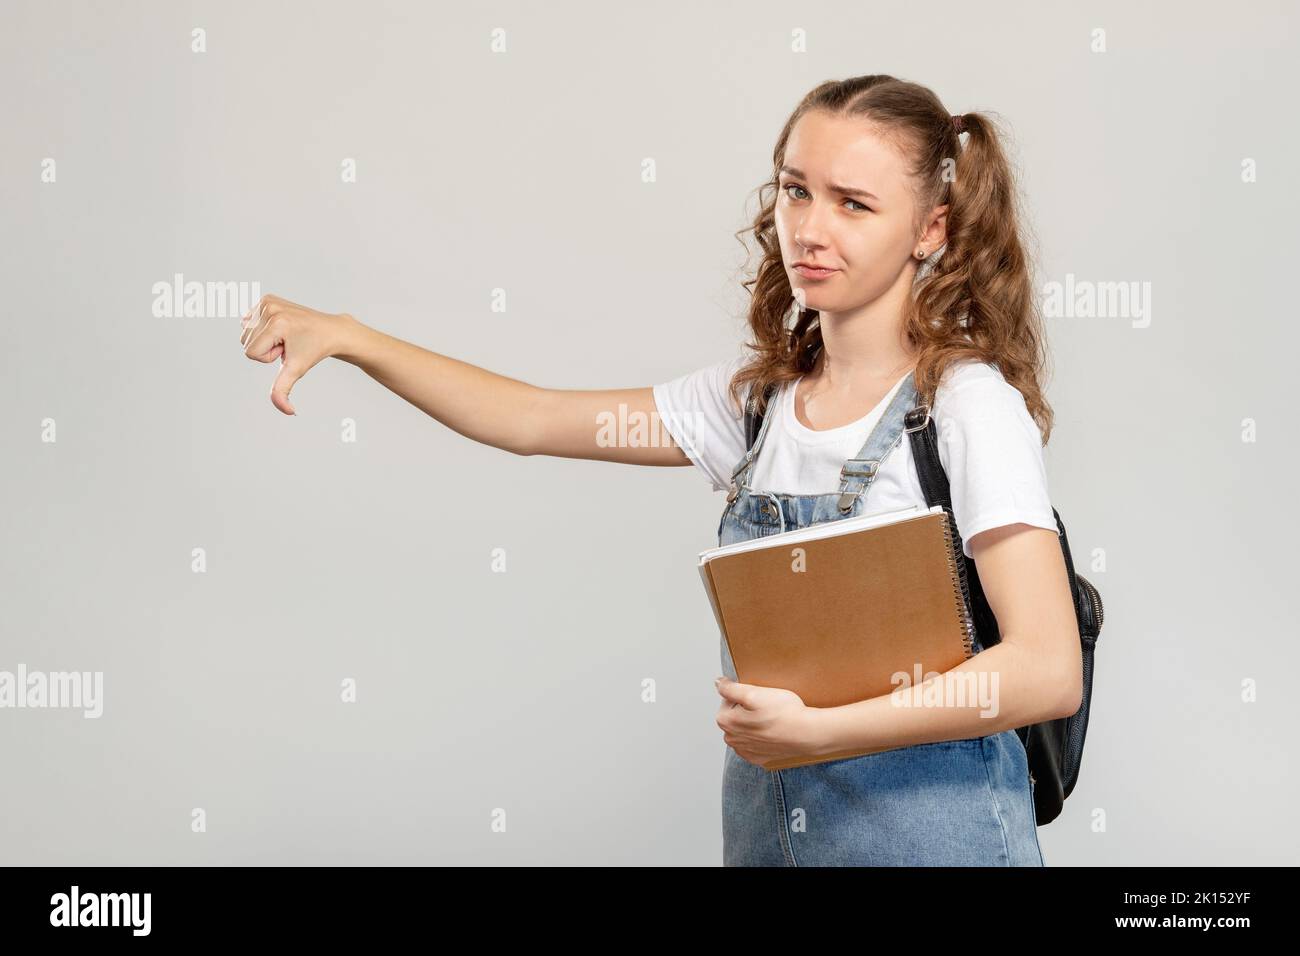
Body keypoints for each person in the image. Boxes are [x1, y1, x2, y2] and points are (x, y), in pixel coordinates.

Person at [240, 74, 1081, 867]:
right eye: (795, 190)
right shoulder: (755, 407)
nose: (810, 229)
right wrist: (351, 336)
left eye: (854, 204)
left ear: (930, 229)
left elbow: (1047, 669)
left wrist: (824, 732)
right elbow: (528, 419)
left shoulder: (967, 406)